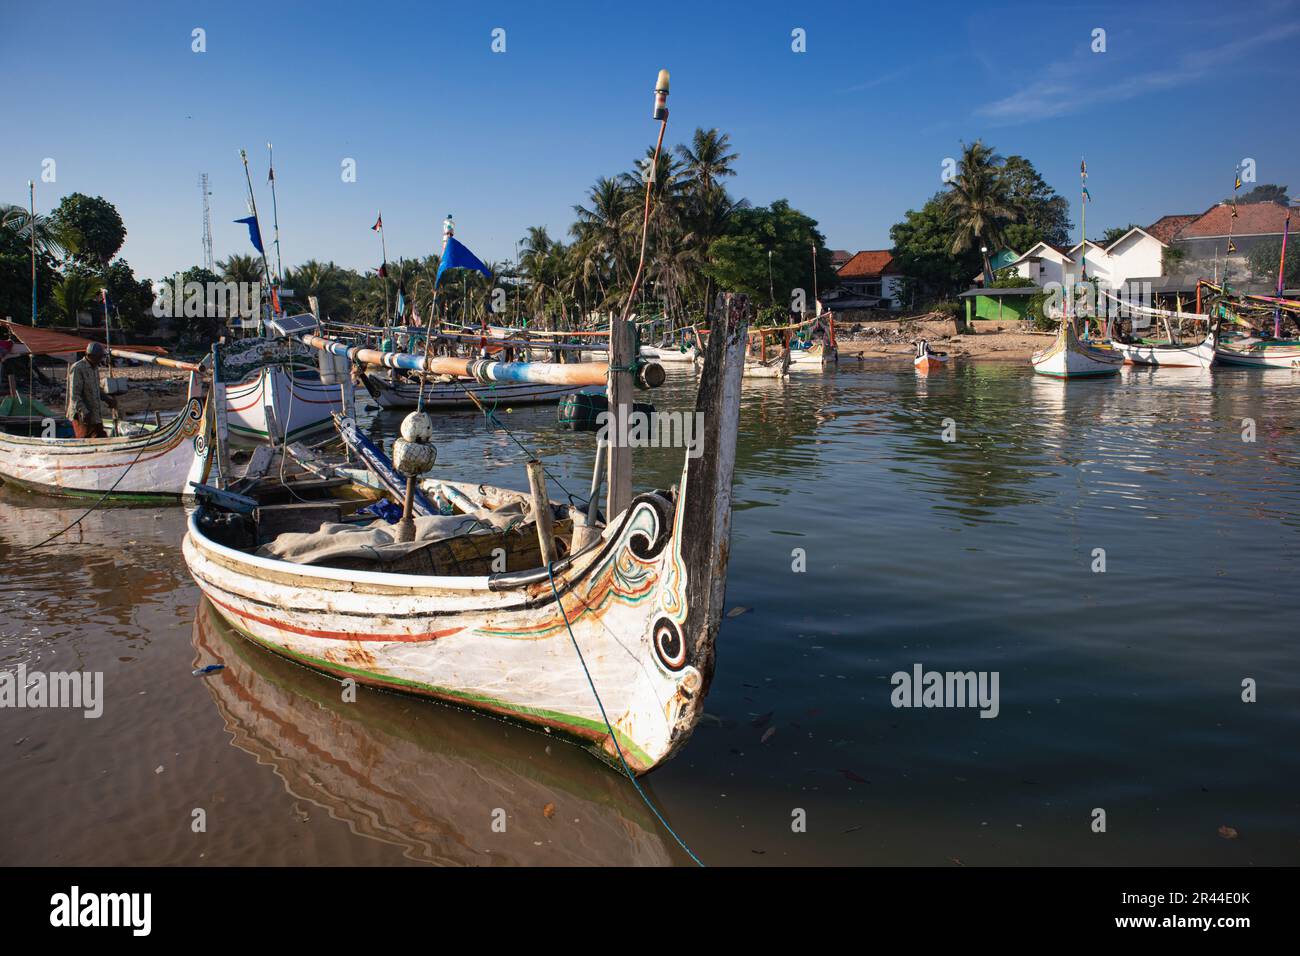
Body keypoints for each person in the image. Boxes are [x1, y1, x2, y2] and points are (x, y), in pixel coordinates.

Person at [66, 341, 116, 439]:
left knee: (100, 437)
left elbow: (96, 388)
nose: (100, 359)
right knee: (86, 439)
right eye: (98, 357)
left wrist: (107, 399)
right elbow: (74, 395)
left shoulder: (95, 368)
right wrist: (84, 411)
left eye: (101, 357)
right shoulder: (78, 368)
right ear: (89, 355)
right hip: (82, 415)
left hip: (94, 414)